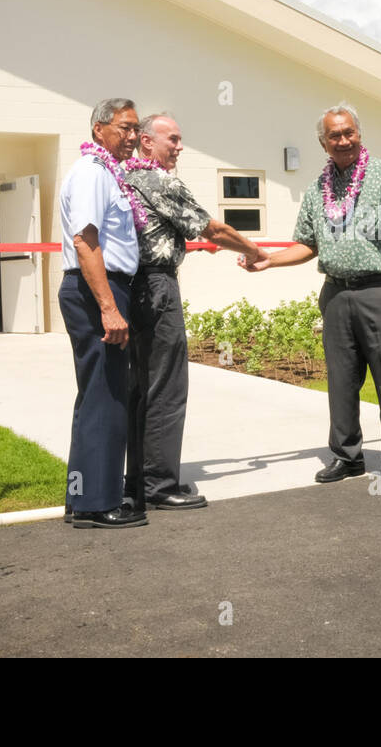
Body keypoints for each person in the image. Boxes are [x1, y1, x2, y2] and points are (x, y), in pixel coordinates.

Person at [244, 103, 381, 487]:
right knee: (341, 380)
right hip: (336, 293)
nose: (343, 140)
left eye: (348, 133)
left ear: (360, 134)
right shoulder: (317, 189)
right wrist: (270, 261)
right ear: (323, 143)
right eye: (334, 136)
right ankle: (347, 455)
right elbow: (307, 244)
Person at [122, 113, 268, 509]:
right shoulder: (159, 180)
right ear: (147, 143)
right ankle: (160, 487)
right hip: (157, 286)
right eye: (173, 138)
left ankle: (139, 481)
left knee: (142, 388)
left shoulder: (126, 175)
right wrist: (255, 251)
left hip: (131, 288)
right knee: (167, 388)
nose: (180, 146)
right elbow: (212, 229)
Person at [59, 98, 146, 528]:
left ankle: (82, 496)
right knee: (106, 397)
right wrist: (109, 307)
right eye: (124, 128)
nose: (133, 137)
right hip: (98, 289)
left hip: (102, 287)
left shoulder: (104, 172)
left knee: (96, 394)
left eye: (136, 129)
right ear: (98, 129)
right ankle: (97, 503)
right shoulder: (93, 173)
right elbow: (85, 239)